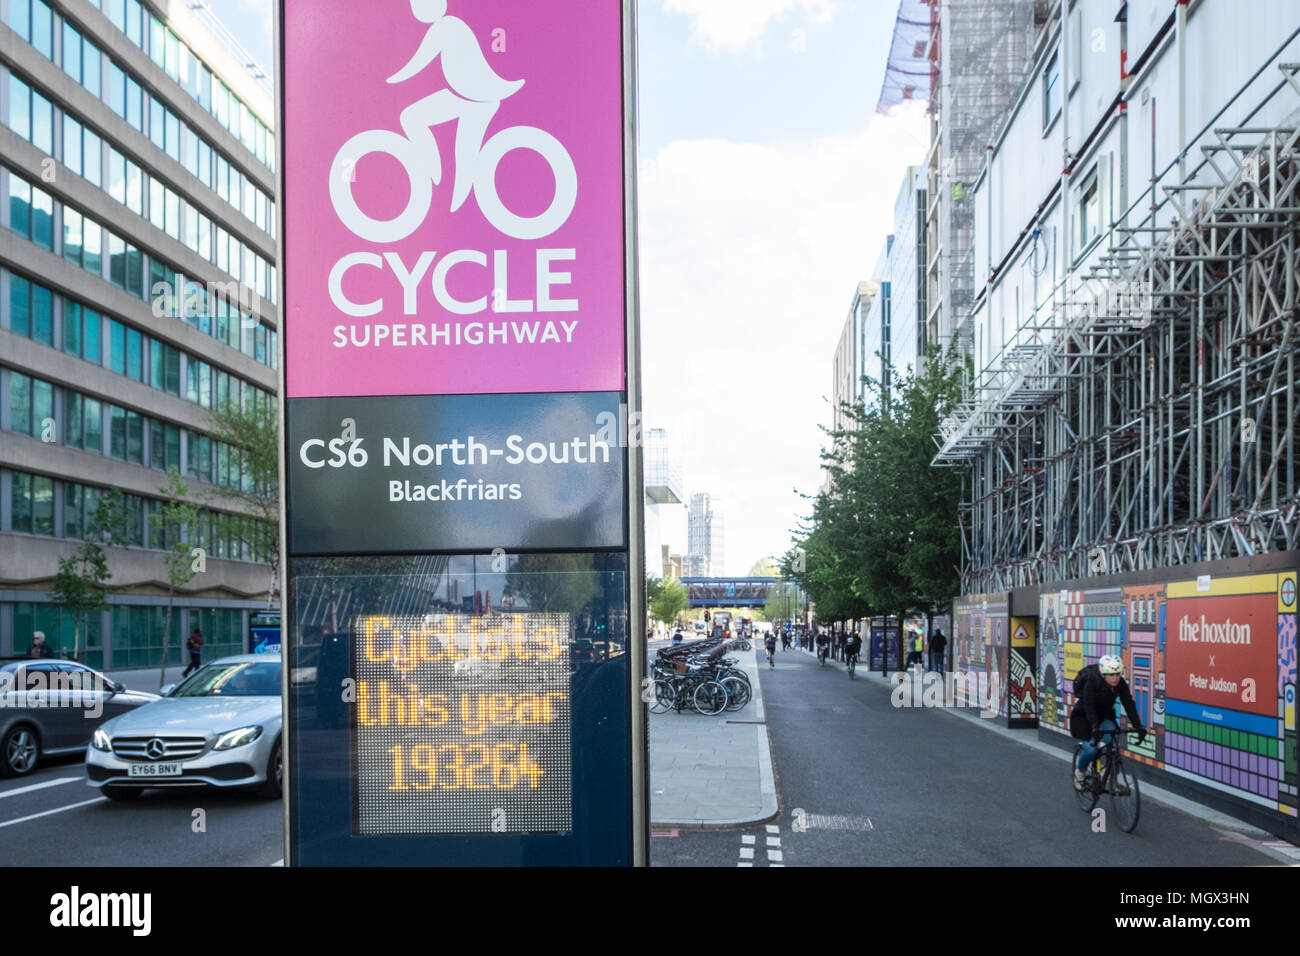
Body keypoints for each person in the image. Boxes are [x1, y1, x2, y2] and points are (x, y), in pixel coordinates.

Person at [1071, 655, 1146, 790]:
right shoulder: (1092, 681)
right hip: (1083, 717)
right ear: (1103, 674)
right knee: (1091, 749)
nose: (1115, 678)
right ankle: (1080, 772)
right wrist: (1094, 727)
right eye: (1111, 675)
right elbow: (1089, 706)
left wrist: (1138, 726)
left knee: (1114, 744)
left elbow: (1128, 704)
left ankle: (1111, 780)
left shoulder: (1120, 684)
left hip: (1104, 718)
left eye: (1117, 674)